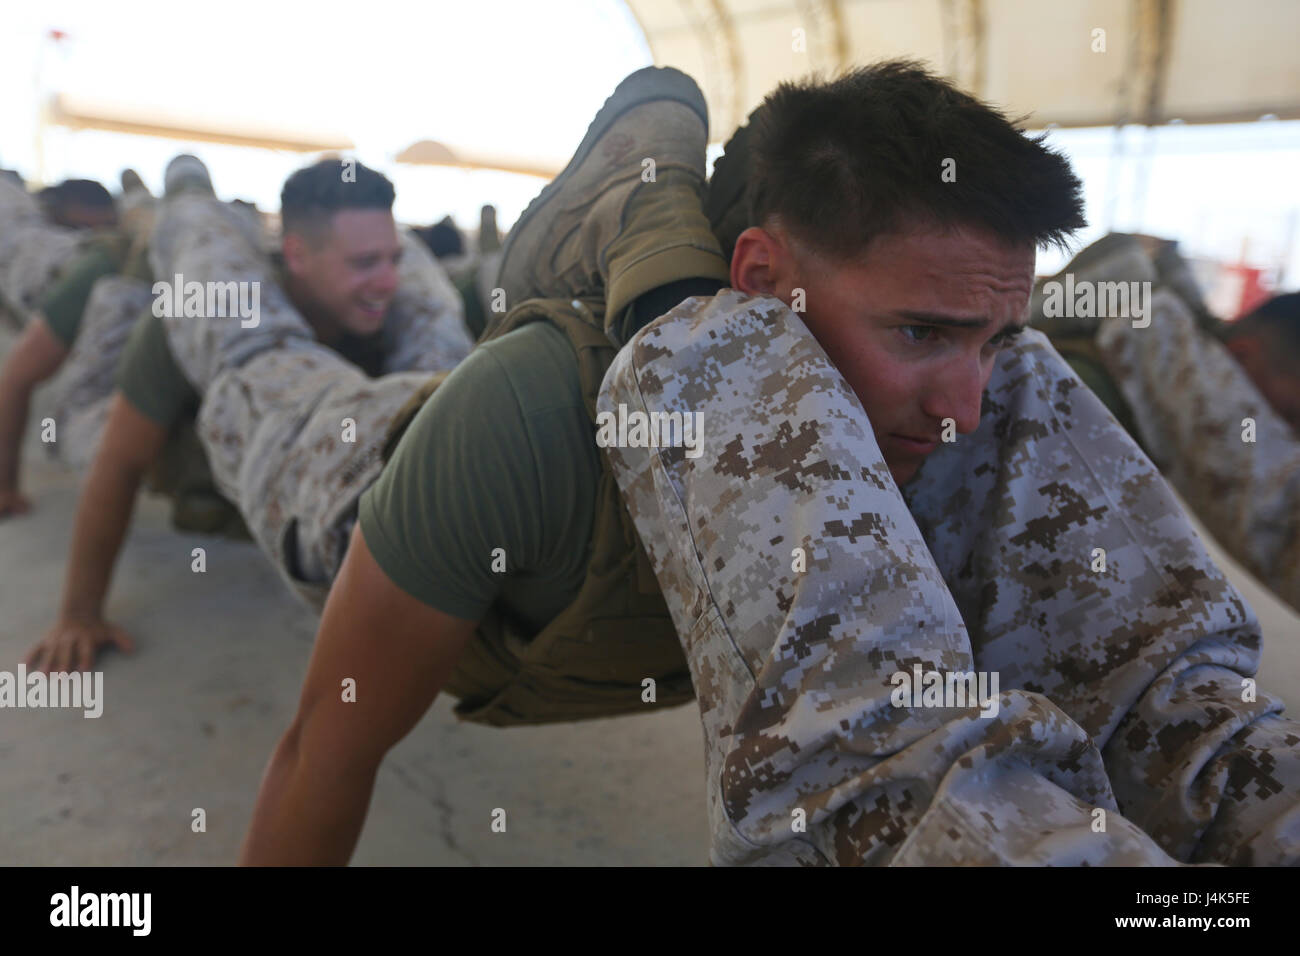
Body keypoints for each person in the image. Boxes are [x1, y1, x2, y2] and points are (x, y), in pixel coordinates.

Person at [236, 61, 1299, 866]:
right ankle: (639, 227)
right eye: (922, 332)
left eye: (988, 340)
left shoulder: (977, 426)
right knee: (269, 361)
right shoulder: (522, 415)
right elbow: (319, 748)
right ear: (762, 280)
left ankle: (647, 228)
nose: (965, 403)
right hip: (335, 471)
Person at [23, 157, 471, 673]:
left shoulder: (396, 316)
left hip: (269, 473)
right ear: (297, 255)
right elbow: (118, 463)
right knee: (92, 435)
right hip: (185, 442)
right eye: (364, 263)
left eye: (394, 259)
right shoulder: (202, 317)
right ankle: (168, 198)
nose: (387, 282)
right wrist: (78, 615)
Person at [1033, 234, 1300, 612]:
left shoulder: (1152, 404)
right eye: (1292, 416)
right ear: (1243, 357)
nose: (1289, 438)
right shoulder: (1083, 393)